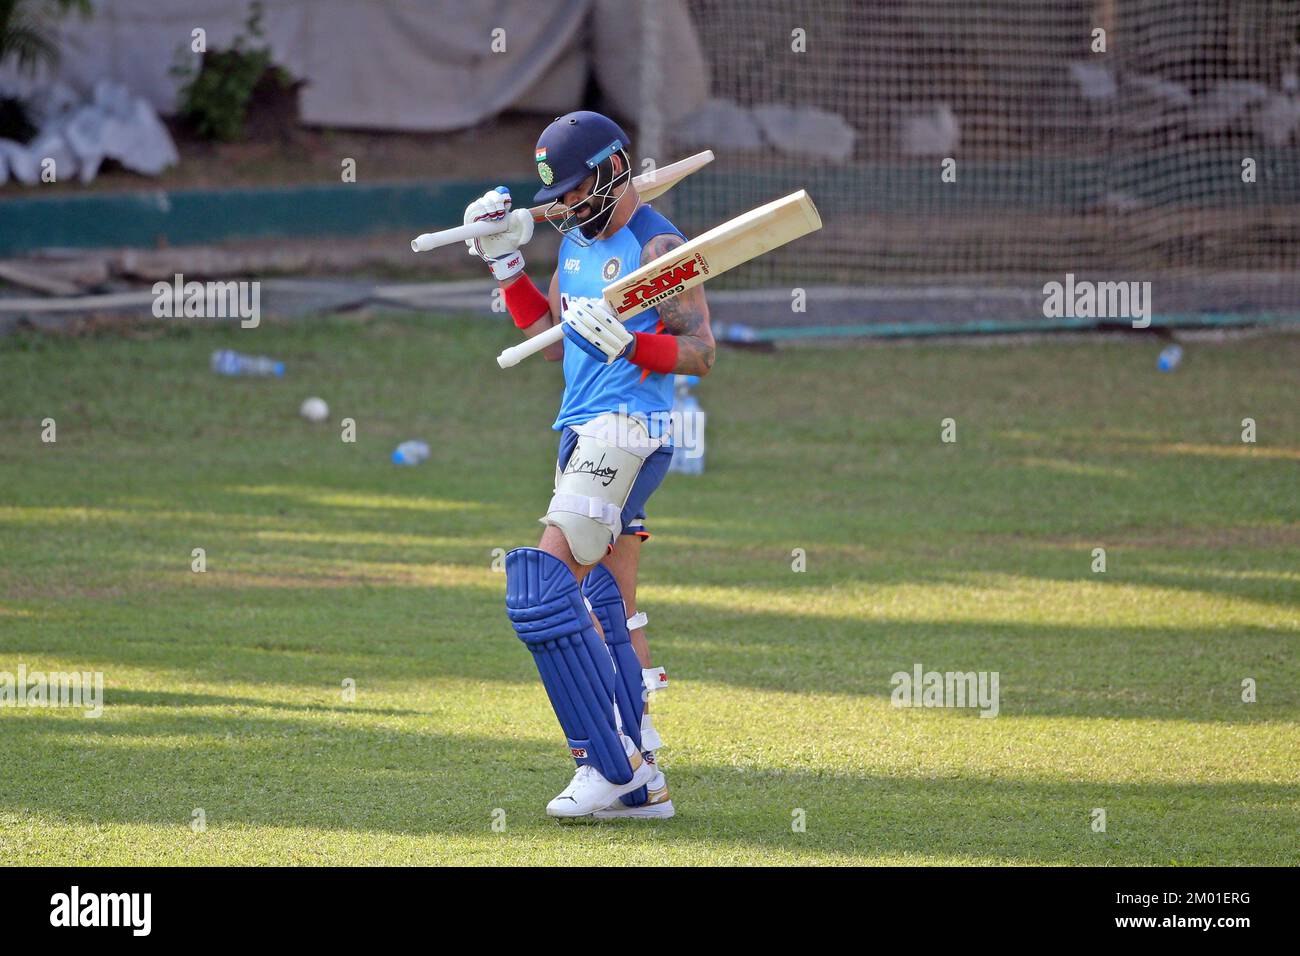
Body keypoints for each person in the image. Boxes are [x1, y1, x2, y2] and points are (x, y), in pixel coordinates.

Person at [464, 110, 714, 818]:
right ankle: (641, 776)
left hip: (630, 428)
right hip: (579, 429)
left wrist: (631, 344)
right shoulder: (575, 239)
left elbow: (701, 351)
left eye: (578, 188)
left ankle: (609, 767)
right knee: (607, 606)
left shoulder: (658, 244)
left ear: (612, 168)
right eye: (563, 193)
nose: (569, 203)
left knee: (540, 590)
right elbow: (550, 343)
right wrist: (507, 266)